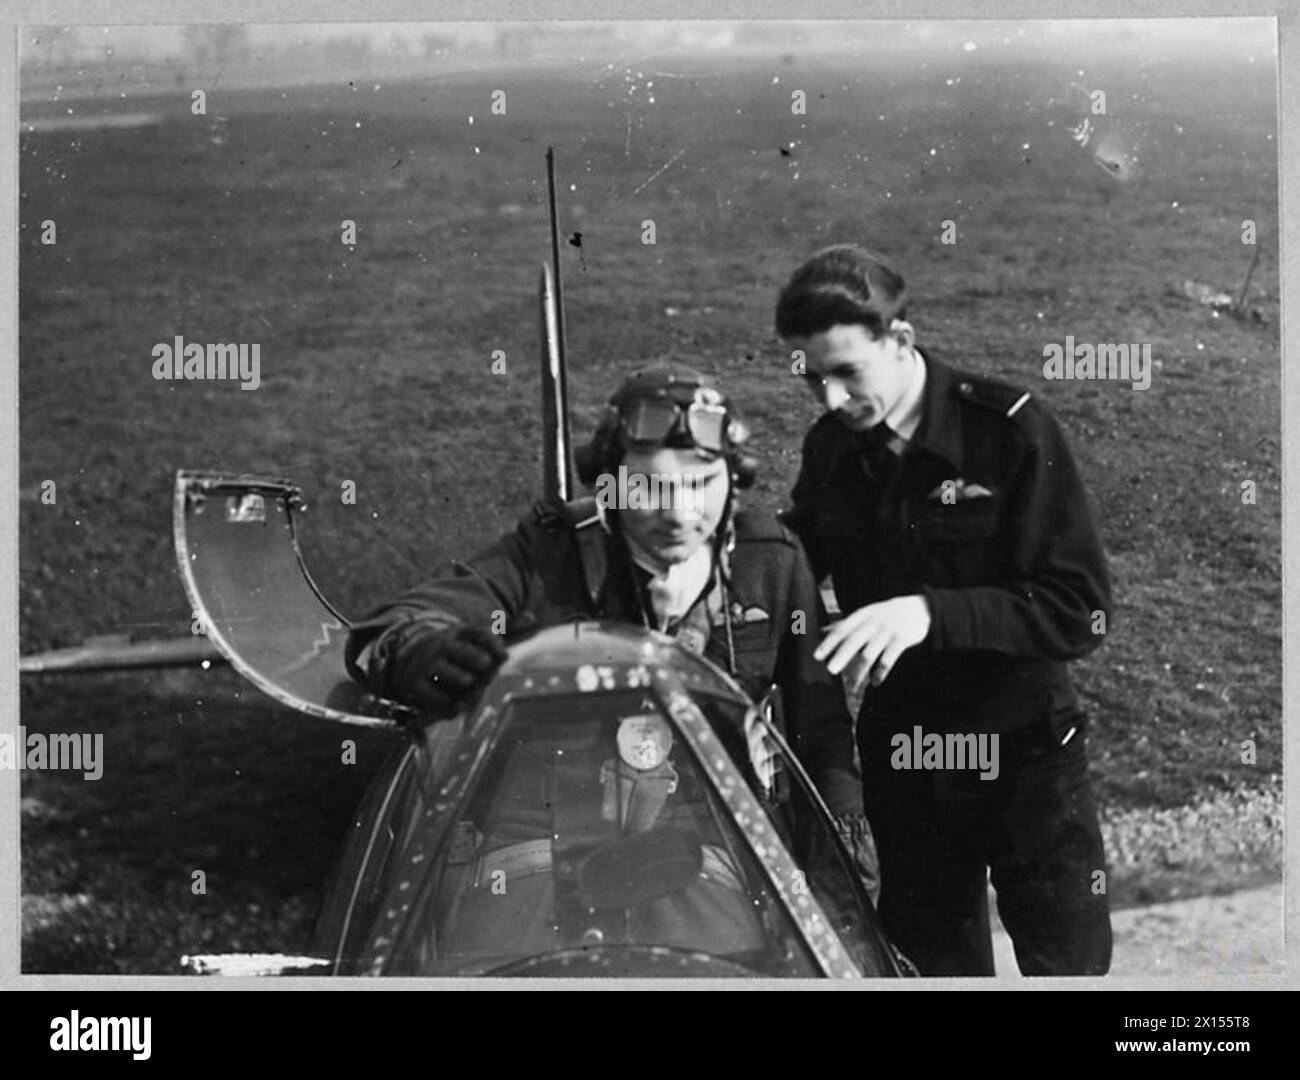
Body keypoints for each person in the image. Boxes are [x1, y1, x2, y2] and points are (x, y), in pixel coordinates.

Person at [343, 365, 878, 899]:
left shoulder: (773, 562)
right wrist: (420, 653)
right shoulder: (549, 553)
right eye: (650, 488)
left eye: (700, 485)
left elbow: (820, 731)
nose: (679, 513)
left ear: (733, 481)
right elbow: (393, 627)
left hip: (719, 831)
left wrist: (841, 886)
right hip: (553, 833)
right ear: (610, 484)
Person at [775, 244, 1113, 976]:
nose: (830, 400)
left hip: (1024, 752)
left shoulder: (1009, 433)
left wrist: (930, 614)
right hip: (910, 759)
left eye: (845, 373)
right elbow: (793, 557)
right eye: (811, 380)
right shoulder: (833, 448)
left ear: (900, 341)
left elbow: (1078, 609)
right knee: (928, 969)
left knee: (1070, 964)